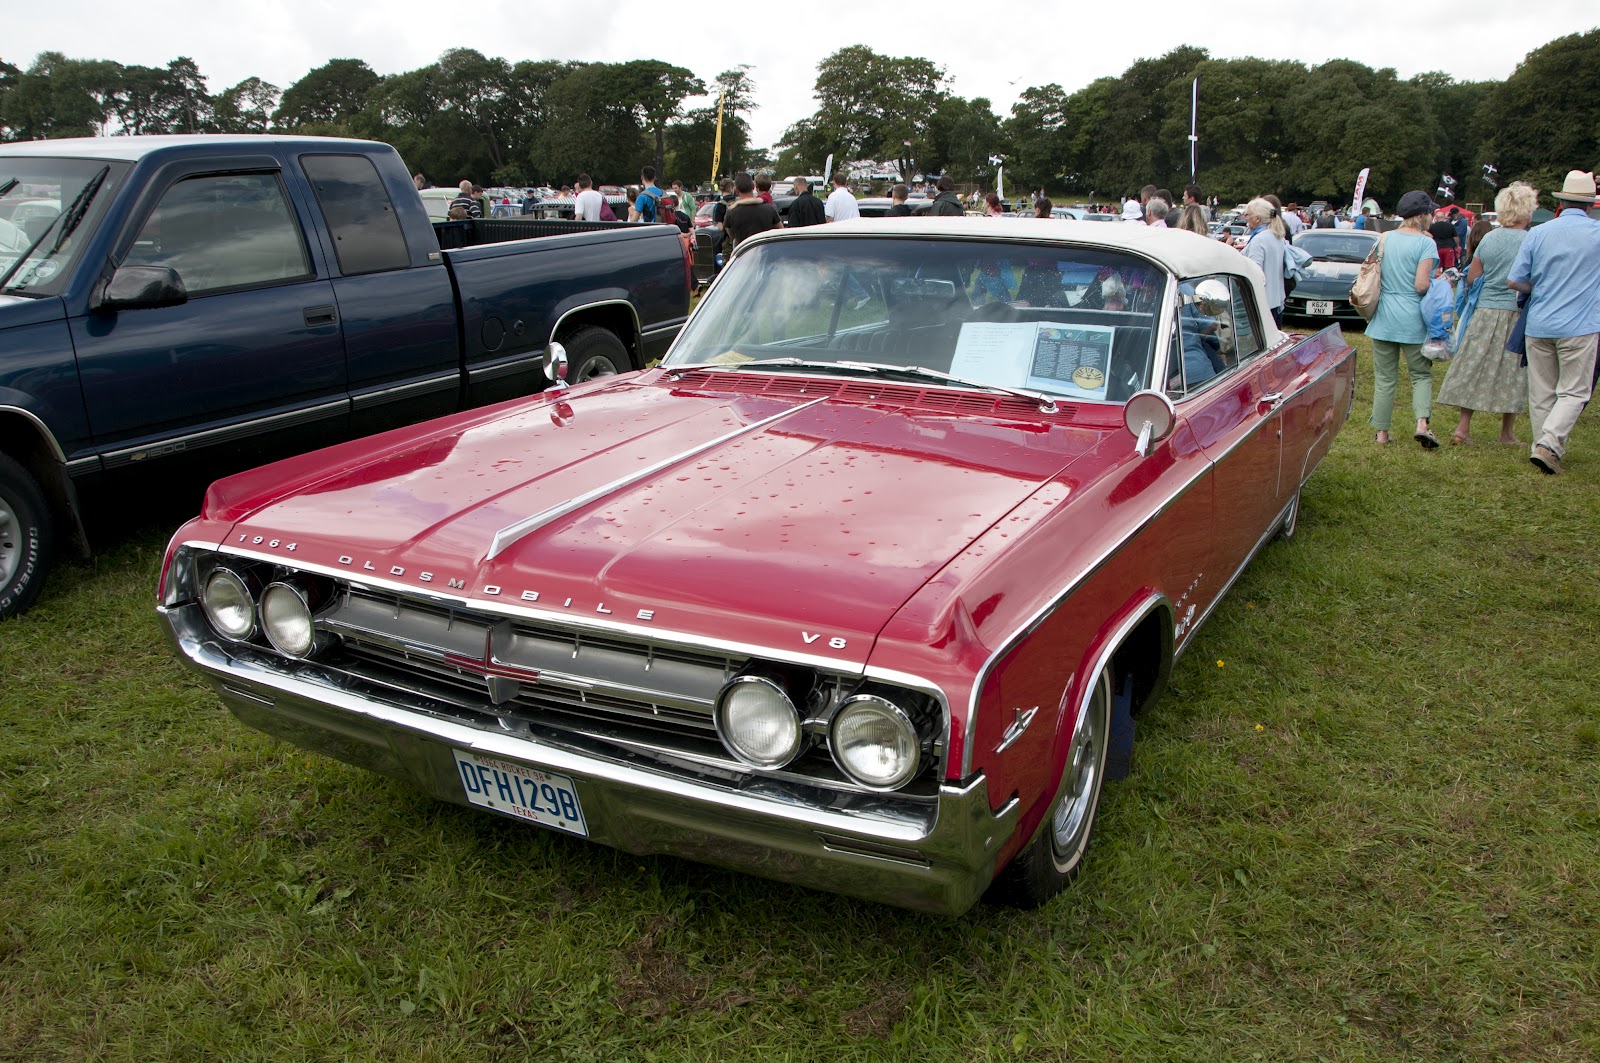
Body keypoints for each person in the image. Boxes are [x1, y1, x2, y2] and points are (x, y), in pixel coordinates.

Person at [1506, 170, 1600, 475]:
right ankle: (1549, 444)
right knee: (1574, 391)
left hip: (1540, 322)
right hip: (1581, 325)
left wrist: (1542, 286)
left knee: (1542, 390)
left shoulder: (1539, 232)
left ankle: (1541, 446)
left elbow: (1515, 281)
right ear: (1590, 205)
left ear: (1562, 201)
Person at [1438, 183, 1536, 446]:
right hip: (1514, 314)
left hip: (1484, 312)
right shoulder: (1531, 240)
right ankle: (1506, 433)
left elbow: (1472, 276)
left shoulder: (1489, 238)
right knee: (1513, 372)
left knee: (1474, 365)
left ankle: (1462, 428)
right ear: (1527, 210)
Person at [1367, 190, 1442, 447]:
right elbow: (1421, 285)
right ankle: (1422, 425)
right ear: (1422, 215)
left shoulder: (1385, 238)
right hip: (1413, 316)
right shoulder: (1426, 244)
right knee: (1420, 375)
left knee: (1385, 378)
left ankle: (1381, 433)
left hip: (1384, 316)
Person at [1241, 197, 1287, 326]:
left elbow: (1255, 273)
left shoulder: (1259, 240)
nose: (1246, 218)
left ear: (1257, 218)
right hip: (1276, 301)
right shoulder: (1276, 236)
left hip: (1263, 305)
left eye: (1248, 215)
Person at [722, 172, 780, 250]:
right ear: (753, 186)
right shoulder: (770, 208)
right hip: (765, 254)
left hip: (743, 255)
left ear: (737, 190)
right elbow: (780, 230)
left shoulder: (731, 211)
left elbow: (732, 236)